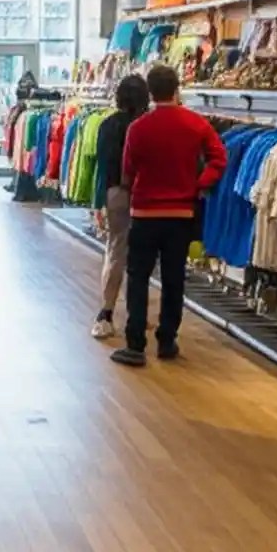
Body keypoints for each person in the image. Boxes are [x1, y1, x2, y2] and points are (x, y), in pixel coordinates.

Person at [110, 65, 226, 366]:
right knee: (174, 278)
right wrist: (200, 184)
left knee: (138, 277)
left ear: (150, 93)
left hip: (145, 211)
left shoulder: (138, 128)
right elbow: (219, 157)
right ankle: (167, 340)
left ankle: (135, 343)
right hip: (180, 212)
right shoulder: (196, 124)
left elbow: (128, 170)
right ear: (177, 90)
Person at [91, 74, 150, 340]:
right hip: (148, 194)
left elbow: (102, 167)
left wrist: (98, 202)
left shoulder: (107, 125)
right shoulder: (147, 125)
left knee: (115, 250)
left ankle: (106, 312)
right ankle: (138, 312)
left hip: (116, 193)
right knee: (143, 256)